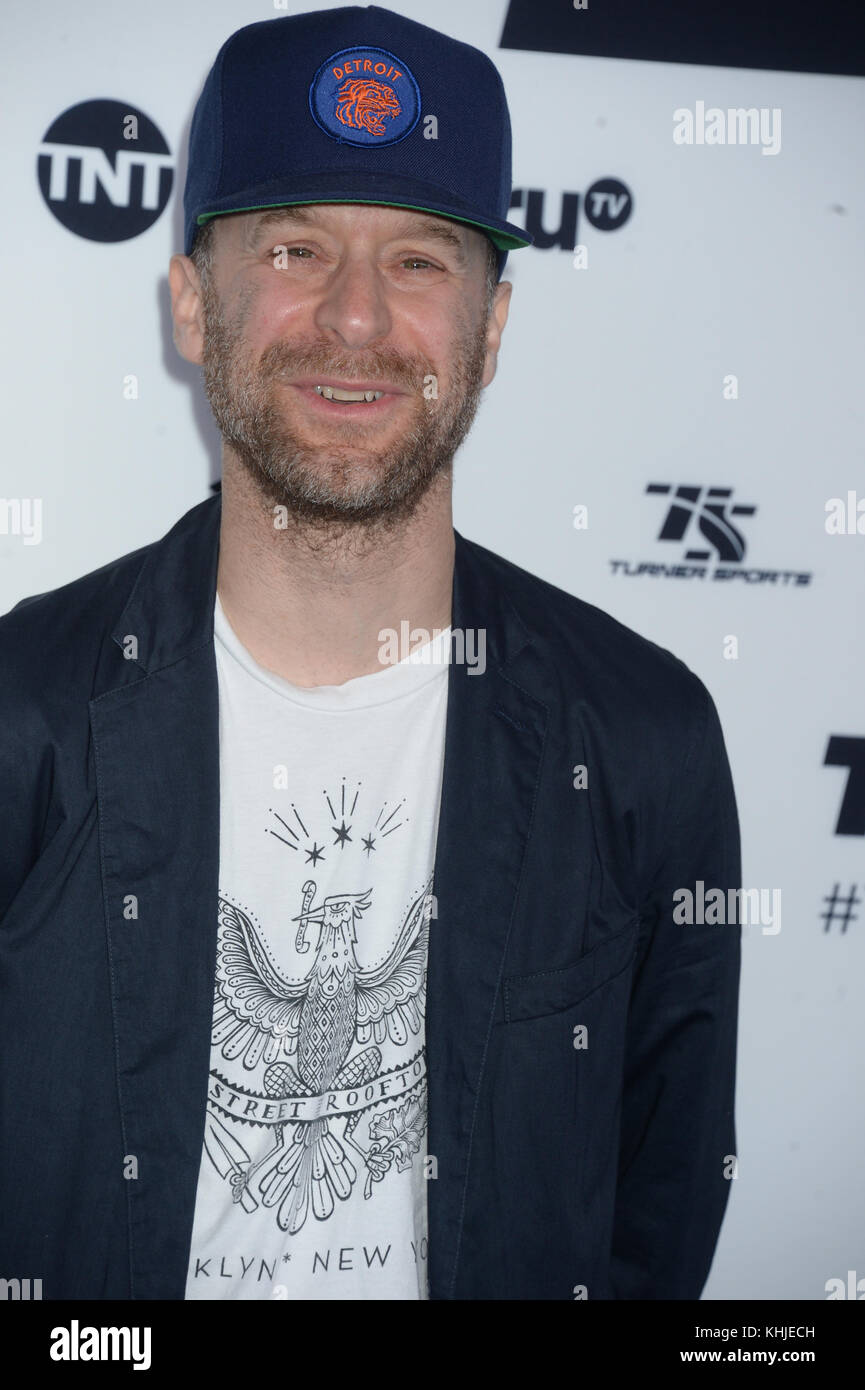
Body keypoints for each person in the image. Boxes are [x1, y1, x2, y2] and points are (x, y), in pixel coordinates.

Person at [0, 6, 741, 1301]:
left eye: (418, 261)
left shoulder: (639, 734)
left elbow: (663, 1195)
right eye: (293, 248)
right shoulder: (23, 715)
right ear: (191, 302)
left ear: (492, 327)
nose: (353, 319)